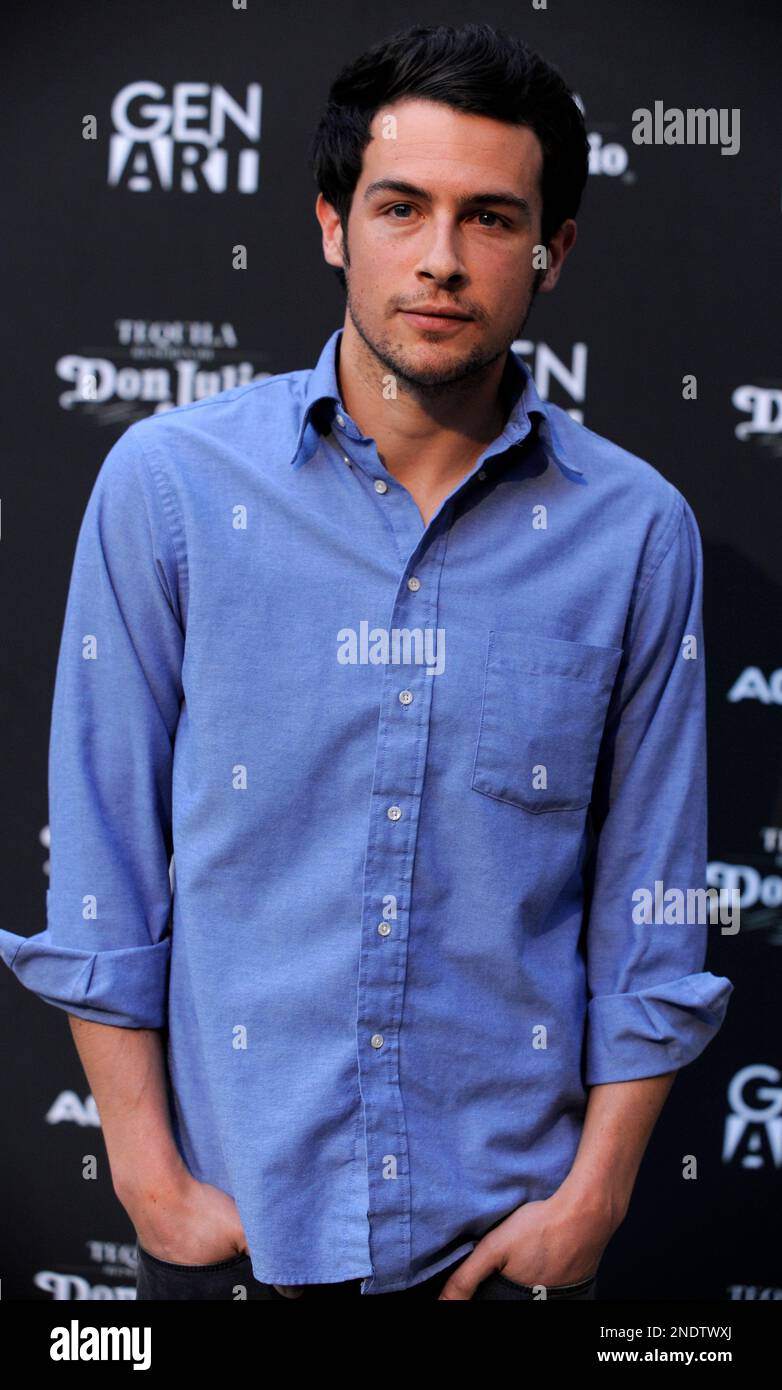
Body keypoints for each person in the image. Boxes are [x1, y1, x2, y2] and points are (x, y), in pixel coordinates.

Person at [0, 22, 733, 1302]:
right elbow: (103, 857)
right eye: (402, 207)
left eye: (491, 219)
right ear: (333, 224)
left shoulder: (631, 531)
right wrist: (144, 1175)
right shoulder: (170, 491)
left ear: (550, 253)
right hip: (236, 1236)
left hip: (510, 1248)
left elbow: (652, 904)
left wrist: (594, 1201)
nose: (441, 260)